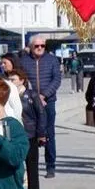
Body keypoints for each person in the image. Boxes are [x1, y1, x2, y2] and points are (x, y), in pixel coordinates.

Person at [22, 37, 61, 178]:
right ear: (31, 46)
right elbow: (23, 80)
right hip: (30, 102)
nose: (40, 48)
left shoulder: (52, 60)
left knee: (49, 133)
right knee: (30, 133)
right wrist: (34, 97)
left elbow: (56, 80)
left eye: (42, 45)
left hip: (48, 101)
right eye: (36, 45)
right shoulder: (24, 61)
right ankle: (31, 165)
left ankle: (51, 166)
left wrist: (43, 95)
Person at [7, 68, 47, 189]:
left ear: (22, 81)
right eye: (9, 79)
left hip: (30, 132)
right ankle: (16, 188)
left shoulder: (32, 95)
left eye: (13, 79)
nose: (10, 82)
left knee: (32, 162)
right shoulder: (7, 94)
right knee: (15, 162)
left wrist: (41, 133)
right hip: (13, 133)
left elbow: (41, 114)